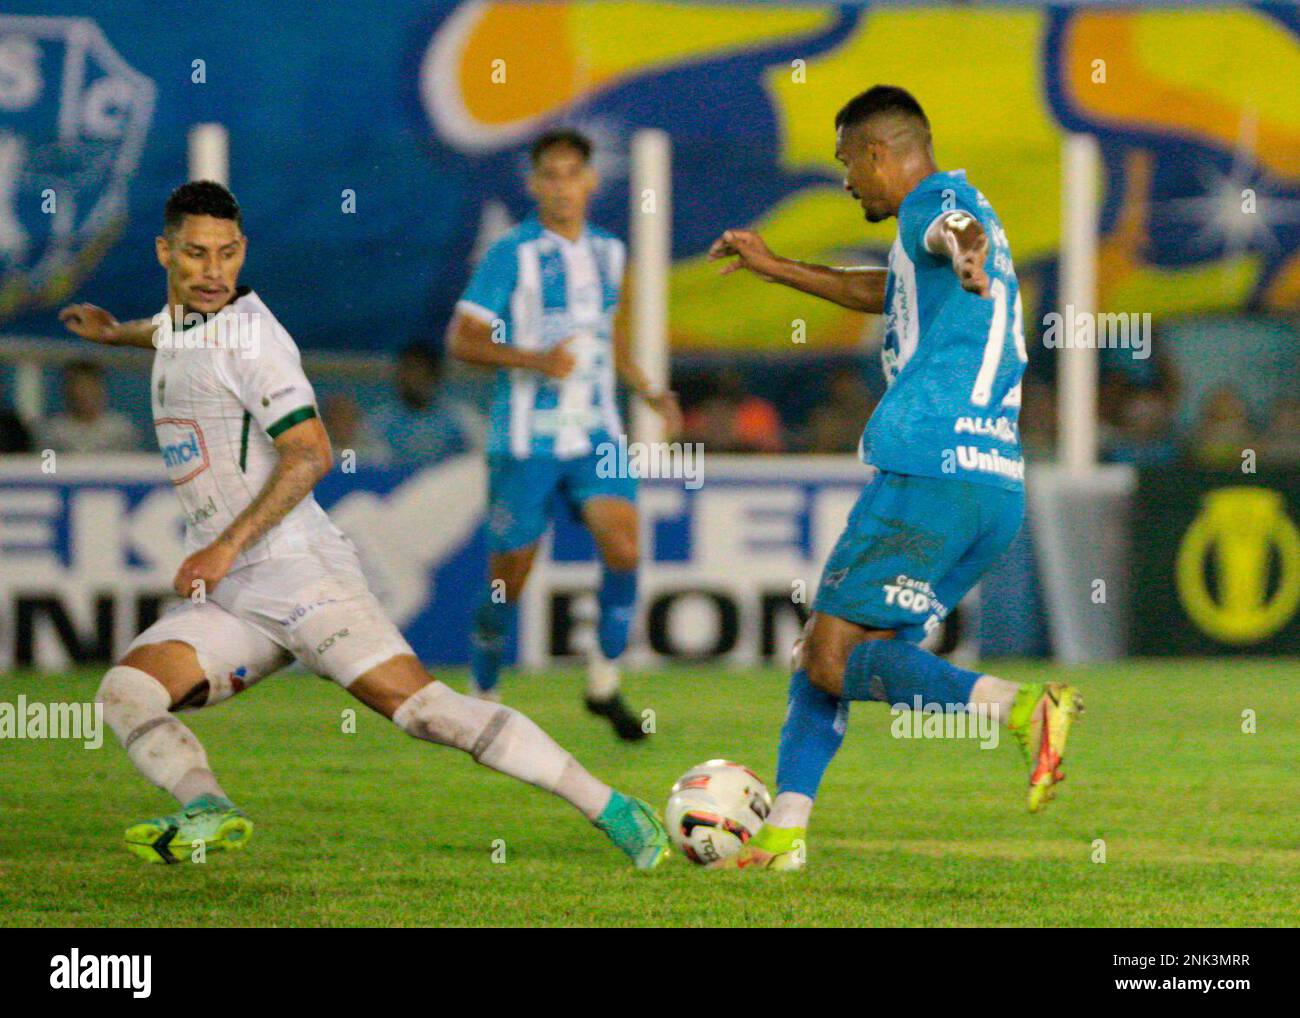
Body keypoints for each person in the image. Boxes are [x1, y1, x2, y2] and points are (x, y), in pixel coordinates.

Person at [58, 180, 668, 868]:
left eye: (227, 255)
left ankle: (611, 806)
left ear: (242, 251)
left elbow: (311, 452)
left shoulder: (255, 340)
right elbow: (170, 329)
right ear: (166, 253)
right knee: (127, 691)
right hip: (238, 596)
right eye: (196, 256)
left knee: (427, 713)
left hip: (301, 574)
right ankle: (209, 807)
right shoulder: (180, 324)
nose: (213, 272)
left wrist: (223, 546)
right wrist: (117, 334)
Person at [708, 85, 1083, 870]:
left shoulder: (934, 204)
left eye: (849, 162)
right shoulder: (937, 240)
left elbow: (953, 228)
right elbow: (882, 290)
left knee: (825, 653)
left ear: (880, 153)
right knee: (833, 651)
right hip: (991, 487)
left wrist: (966, 244)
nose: (848, 181)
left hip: (928, 467)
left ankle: (1020, 710)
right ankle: (784, 834)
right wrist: (775, 267)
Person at [448, 129, 682, 739]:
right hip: (526, 441)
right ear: (533, 184)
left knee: (626, 549)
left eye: (571, 174)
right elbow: (463, 339)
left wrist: (649, 389)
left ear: (591, 180)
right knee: (509, 582)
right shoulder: (512, 253)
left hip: (597, 433)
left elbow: (607, 334)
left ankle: (603, 683)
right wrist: (533, 359)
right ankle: (483, 688)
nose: (562, 186)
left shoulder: (609, 250)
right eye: (548, 175)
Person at [368, 343, 478, 465]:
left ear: (434, 377)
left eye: (419, 374)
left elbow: (480, 458)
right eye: (407, 374)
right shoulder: (380, 421)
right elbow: (368, 463)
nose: (412, 381)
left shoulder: (461, 418)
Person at [38, 360, 141, 453]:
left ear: (100, 390)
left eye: (90, 386)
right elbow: (44, 469)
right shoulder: (54, 431)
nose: (85, 394)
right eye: (79, 387)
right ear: (68, 391)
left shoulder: (120, 429)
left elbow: (133, 467)